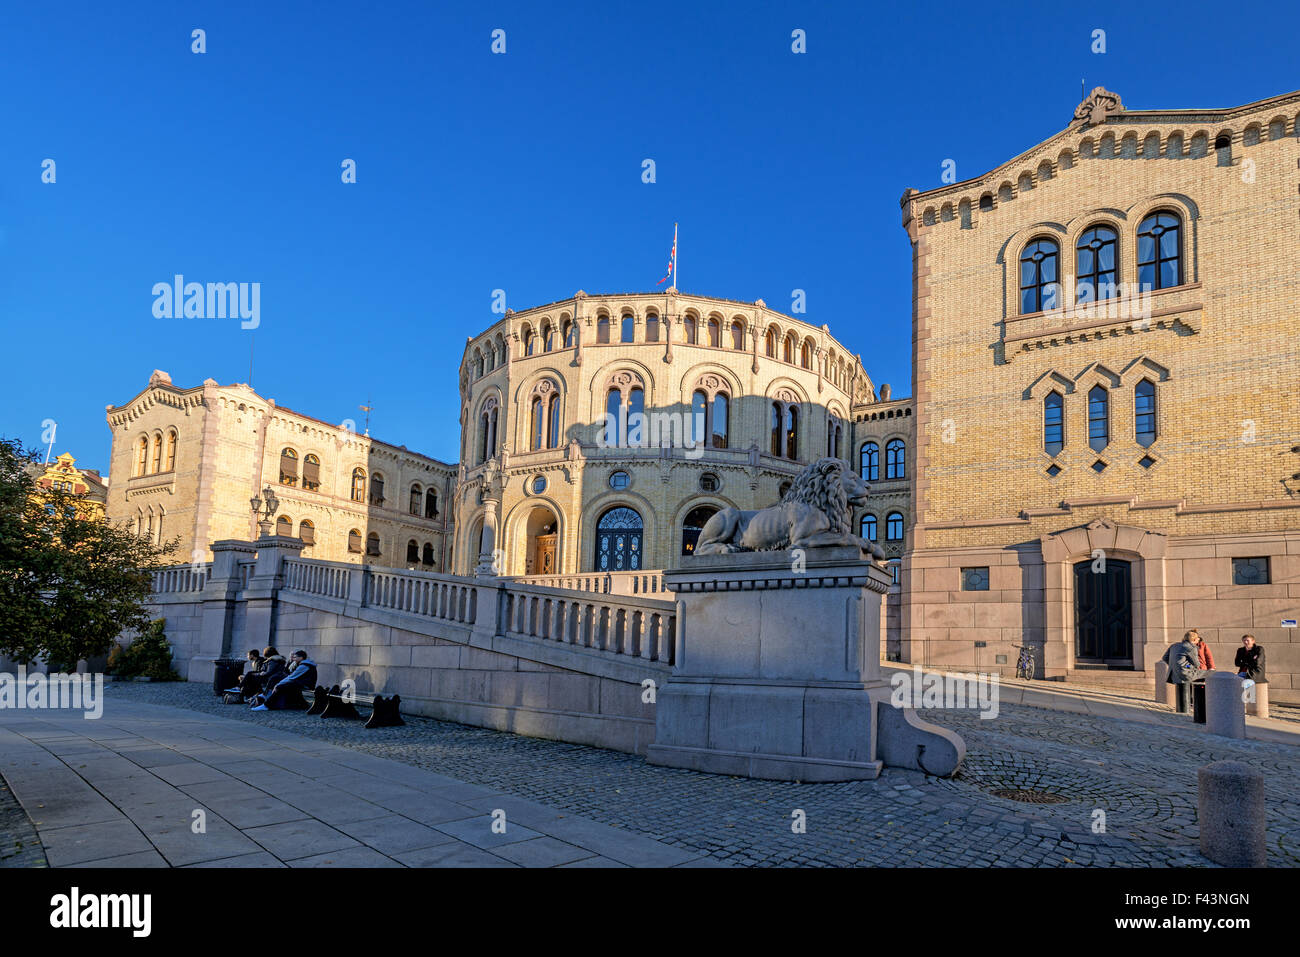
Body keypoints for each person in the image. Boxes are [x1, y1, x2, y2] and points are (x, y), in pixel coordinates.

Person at [250, 650, 316, 711]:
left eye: (295, 657)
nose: (293, 659)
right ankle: (266, 695)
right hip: (300, 682)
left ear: (301, 658)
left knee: (280, 687)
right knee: (276, 678)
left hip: (305, 685)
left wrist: (278, 685)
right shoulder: (303, 664)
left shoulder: (304, 666)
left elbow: (292, 677)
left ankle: (266, 705)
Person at [1162, 632, 1204, 714]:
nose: (1198, 639)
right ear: (1194, 639)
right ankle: (1201, 705)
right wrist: (1187, 666)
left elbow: (1165, 658)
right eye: (1198, 638)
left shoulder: (1174, 645)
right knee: (1210, 674)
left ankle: (1185, 707)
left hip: (1172, 673)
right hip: (1184, 673)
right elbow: (1196, 664)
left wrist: (1175, 665)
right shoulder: (1192, 647)